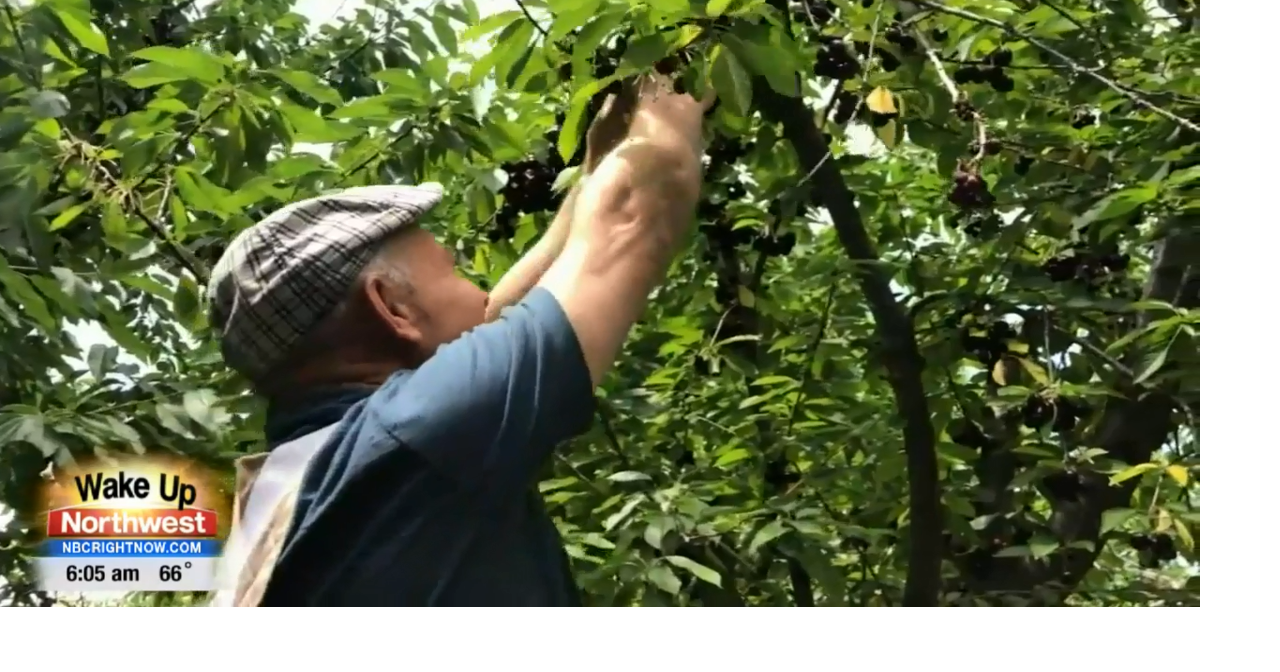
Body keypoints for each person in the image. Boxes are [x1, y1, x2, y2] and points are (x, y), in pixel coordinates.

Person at [205, 75, 716, 606]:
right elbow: (636, 212)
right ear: (393, 308)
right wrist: (668, 95)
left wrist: (594, 171)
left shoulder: (289, 493)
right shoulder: (419, 433)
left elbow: (497, 320)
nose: (479, 294)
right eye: (454, 272)